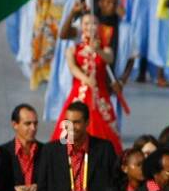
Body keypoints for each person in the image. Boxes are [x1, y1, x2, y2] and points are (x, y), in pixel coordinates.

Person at [52, 11, 124, 156]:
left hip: (100, 95)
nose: (90, 26)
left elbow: (109, 59)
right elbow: (72, 67)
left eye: (94, 23)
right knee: (71, 126)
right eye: (86, 23)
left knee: (105, 128)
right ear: (81, 26)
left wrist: (97, 49)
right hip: (79, 94)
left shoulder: (104, 47)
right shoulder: (74, 49)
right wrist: (85, 79)